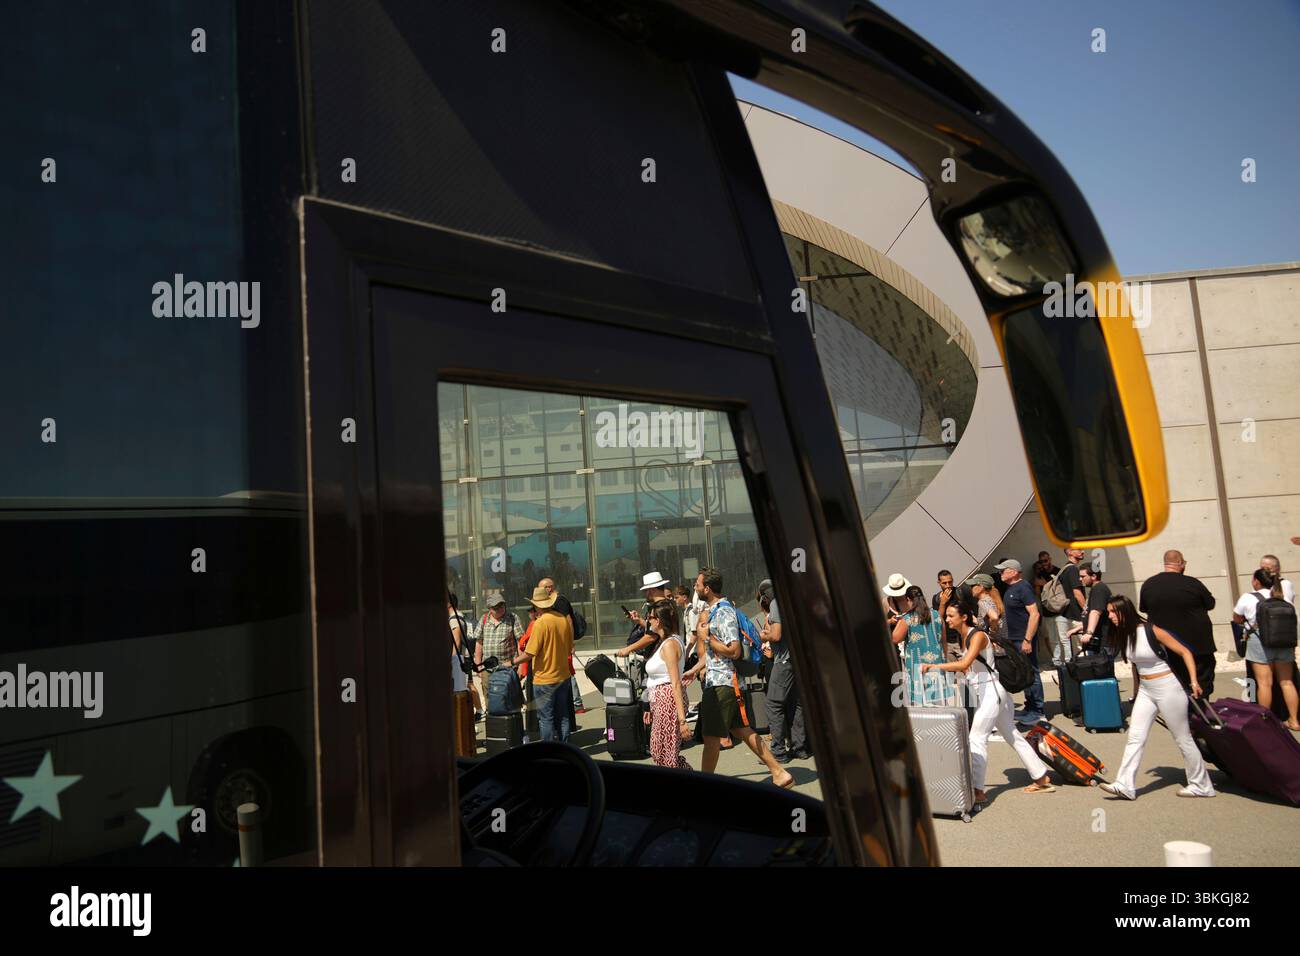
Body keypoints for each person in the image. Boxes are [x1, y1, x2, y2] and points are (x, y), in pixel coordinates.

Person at [921, 601, 1055, 804]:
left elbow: (964, 664)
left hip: (991, 693)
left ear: (963, 617)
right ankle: (1041, 776)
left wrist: (933, 665)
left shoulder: (977, 636)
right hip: (988, 692)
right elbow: (969, 668)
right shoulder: (965, 636)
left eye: (950, 615)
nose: (946, 619)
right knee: (1012, 735)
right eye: (946, 616)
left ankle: (977, 791)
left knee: (976, 737)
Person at [683, 568, 793, 788]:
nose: (695, 587)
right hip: (723, 682)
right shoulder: (716, 611)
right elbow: (719, 654)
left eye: (697, 583)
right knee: (741, 730)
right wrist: (695, 669)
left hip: (723, 684)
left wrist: (706, 639)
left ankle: (704, 786)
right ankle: (779, 772)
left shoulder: (723, 612)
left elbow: (734, 651)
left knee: (711, 738)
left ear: (707, 588)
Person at [1098, 596, 1216, 800]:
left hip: (1169, 687)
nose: (1110, 617)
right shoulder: (1125, 634)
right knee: (1135, 736)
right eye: (1108, 612)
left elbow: (1185, 651)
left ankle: (1202, 785)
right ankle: (1125, 784)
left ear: (1124, 611)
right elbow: (1136, 666)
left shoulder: (1151, 630)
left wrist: (1194, 681)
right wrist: (1136, 692)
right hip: (1146, 689)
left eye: (1112, 612)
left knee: (1183, 737)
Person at [1139, 550, 1217, 700]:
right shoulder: (1193, 584)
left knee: (1174, 688)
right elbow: (1210, 604)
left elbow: (1144, 609)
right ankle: (1200, 716)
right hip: (1198, 648)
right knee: (1201, 688)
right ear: (1181, 563)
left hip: (1166, 649)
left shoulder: (1149, 585)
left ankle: (1181, 717)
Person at [1233, 568, 1300, 730]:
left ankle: (1266, 723)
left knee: (1264, 683)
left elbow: (1237, 618)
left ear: (1256, 581)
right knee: (1287, 682)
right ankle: (1294, 720)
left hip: (1259, 643)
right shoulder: (1283, 598)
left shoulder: (1248, 597)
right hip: (1284, 642)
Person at [511, 586, 575, 742]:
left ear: (537, 606)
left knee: (546, 718)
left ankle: (549, 751)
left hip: (544, 679)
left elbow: (529, 653)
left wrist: (511, 662)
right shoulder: (562, 619)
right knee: (563, 715)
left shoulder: (539, 624)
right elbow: (568, 648)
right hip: (563, 676)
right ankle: (565, 747)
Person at [761, 578, 808, 762]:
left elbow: (776, 634)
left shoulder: (775, 602)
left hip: (784, 660)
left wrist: (763, 634)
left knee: (773, 704)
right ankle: (800, 748)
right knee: (797, 704)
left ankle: (778, 752)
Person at [642, 599, 692, 769]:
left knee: (667, 754)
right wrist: (650, 705)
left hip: (669, 702)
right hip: (660, 702)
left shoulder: (670, 644)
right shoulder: (663, 642)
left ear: (660, 621)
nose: (648, 620)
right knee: (659, 752)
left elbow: (675, 683)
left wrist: (682, 720)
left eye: (651, 617)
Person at [996, 559, 1044, 725]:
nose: (1000, 573)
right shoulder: (1012, 589)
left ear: (1014, 571)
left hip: (1023, 639)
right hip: (1015, 639)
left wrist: (1027, 639)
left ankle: (1038, 711)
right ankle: (1029, 707)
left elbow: (1034, 614)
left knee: (1031, 672)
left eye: (1003, 570)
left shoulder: (1023, 588)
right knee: (1024, 674)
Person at [891, 585, 946, 706]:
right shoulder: (936, 615)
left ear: (908, 600)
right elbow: (943, 640)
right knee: (938, 700)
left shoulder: (908, 618)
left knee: (921, 702)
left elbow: (895, 638)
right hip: (937, 662)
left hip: (917, 664)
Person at [539, 576, 585, 716]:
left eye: (542, 588)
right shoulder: (551, 601)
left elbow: (568, 622)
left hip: (563, 644)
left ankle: (577, 703)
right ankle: (574, 702)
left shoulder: (559, 601)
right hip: (557, 644)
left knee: (568, 671)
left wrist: (570, 643)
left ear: (549, 588)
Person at [475, 592, 524, 714]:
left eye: (502, 605)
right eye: (497, 607)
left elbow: (520, 643)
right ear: (490, 609)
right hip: (487, 668)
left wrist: (522, 666)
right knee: (489, 696)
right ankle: (494, 723)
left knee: (510, 698)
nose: (500, 609)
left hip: (507, 668)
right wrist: (478, 665)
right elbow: (479, 643)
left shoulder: (512, 618)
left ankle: (511, 726)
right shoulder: (484, 619)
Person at [1050, 548, 1088, 676]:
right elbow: (1077, 593)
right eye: (1079, 550)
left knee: (1067, 646)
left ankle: (1069, 676)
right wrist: (1086, 610)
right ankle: (1081, 675)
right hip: (1075, 614)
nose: (1083, 551)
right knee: (1080, 648)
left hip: (1063, 612)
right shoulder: (1072, 569)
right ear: (1070, 552)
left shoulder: (1064, 569)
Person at [618, 571, 672, 661]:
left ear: (652, 590)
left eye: (646, 590)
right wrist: (639, 620)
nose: (645, 594)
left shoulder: (660, 608)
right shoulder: (666, 605)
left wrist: (628, 649)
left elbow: (651, 636)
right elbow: (655, 628)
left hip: (661, 658)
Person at [1069, 561, 1112, 657]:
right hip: (1096, 639)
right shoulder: (1095, 589)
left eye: (1083, 576)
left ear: (1093, 576)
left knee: (1101, 670)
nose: (1080, 579)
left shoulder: (1099, 589)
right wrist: (1080, 628)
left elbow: (1096, 612)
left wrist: (1089, 633)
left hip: (1101, 641)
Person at [447, 591, 473, 700]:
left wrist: (453, 662)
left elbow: (456, 640)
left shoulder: (454, 619)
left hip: (459, 660)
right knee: (468, 686)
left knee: (459, 691)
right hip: (463, 658)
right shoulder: (458, 616)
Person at [931, 570, 960, 654]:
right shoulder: (936, 598)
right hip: (947, 641)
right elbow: (938, 619)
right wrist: (943, 603)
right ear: (939, 583)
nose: (948, 586)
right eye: (944, 583)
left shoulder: (959, 593)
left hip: (961, 638)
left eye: (950, 582)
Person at [965, 573, 1001, 640]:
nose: (971, 588)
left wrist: (991, 631)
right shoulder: (990, 598)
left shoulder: (983, 602)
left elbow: (994, 617)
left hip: (995, 642)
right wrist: (975, 620)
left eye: (972, 585)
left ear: (981, 587)